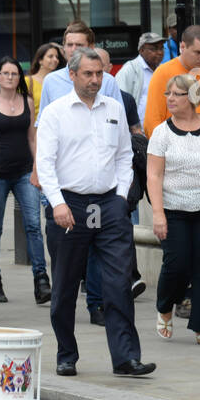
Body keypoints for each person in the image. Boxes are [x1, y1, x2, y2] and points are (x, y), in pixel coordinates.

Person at [37, 49, 154, 377]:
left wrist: (119, 197)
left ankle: (125, 358)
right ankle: (66, 354)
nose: (94, 80)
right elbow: (44, 163)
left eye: (99, 74)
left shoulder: (114, 109)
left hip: (109, 204)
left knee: (119, 282)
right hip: (69, 206)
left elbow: (123, 156)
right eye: (87, 74)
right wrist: (57, 203)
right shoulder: (56, 113)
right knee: (65, 284)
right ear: (72, 75)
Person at [147, 74, 200, 346]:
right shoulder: (161, 133)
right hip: (174, 208)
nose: (170, 98)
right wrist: (158, 214)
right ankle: (164, 308)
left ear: (192, 97)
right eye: (168, 94)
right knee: (177, 263)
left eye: (177, 94)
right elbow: (154, 176)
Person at [0, 57, 49, 305]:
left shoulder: (27, 101)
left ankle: (41, 279)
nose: (10, 77)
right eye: (5, 73)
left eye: (15, 74)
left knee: (33, 225)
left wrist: (36, 168)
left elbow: (33, 137)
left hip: (24, 172)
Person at [142, 25, 200, 139]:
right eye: (198, 52)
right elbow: (152, 121)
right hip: (172, 152)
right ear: (182, 46)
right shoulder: (162, 73)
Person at [116, 33, 165, 126]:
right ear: (141, 50)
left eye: (161, 48)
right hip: (138, 132)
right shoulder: (130, 70)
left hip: (160, 129)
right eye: (154, 49)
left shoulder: (163, 70)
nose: (159, 52)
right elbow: (121, 102)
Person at [27, 44, 62, 114]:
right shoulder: (27, 81)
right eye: (50, 56)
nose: (55, 60)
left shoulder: (59, 82)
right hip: (35, 124)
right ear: (40, 60)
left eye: (57, 57)